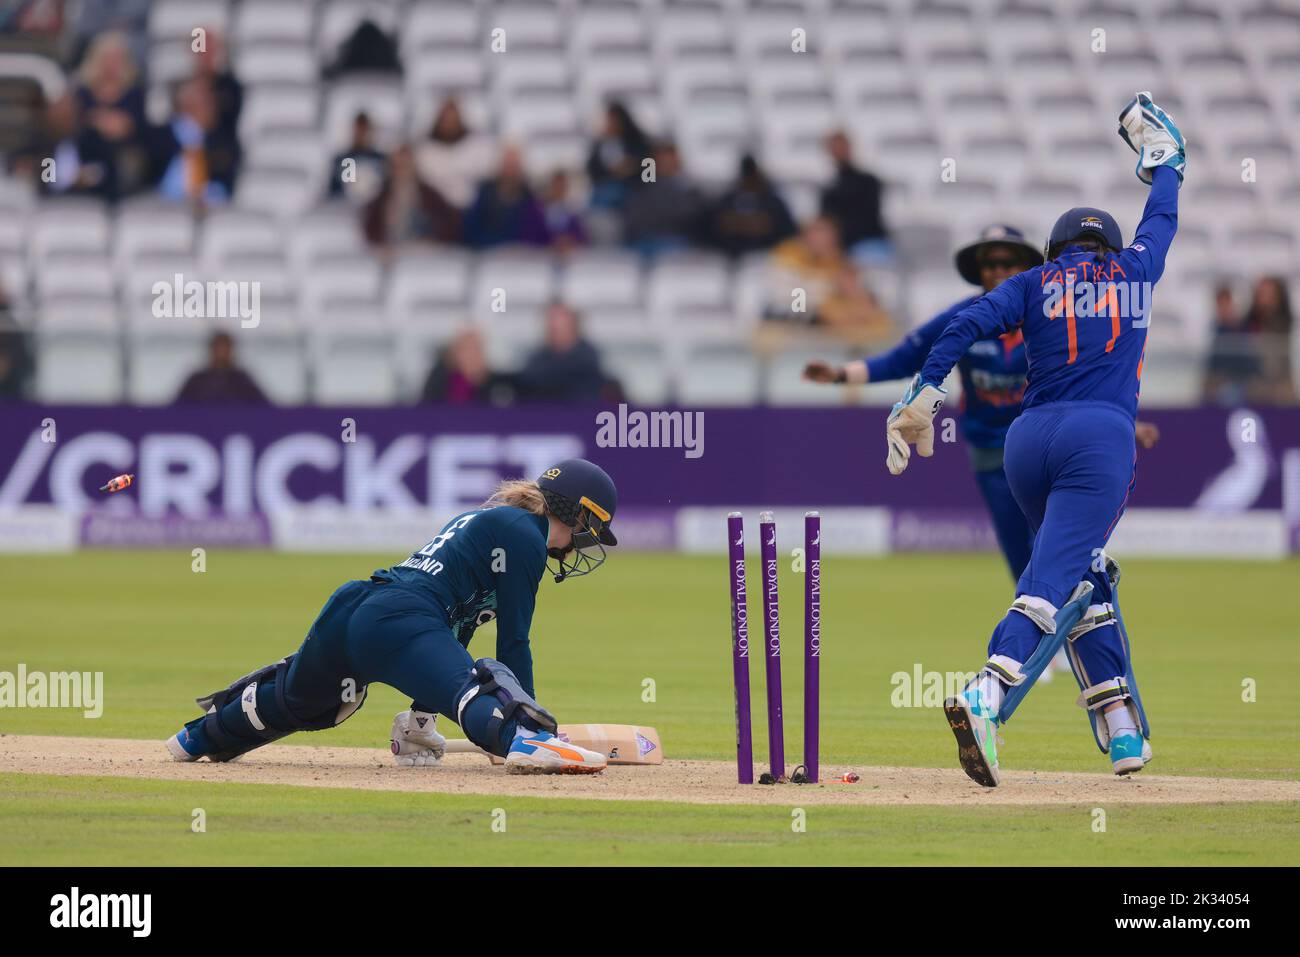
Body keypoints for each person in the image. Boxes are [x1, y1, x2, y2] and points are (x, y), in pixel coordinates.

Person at [884, 94, 1184, 785]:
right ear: (1107, 249)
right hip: (1097, 440)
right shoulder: (1134, 270)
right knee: (1051, 582)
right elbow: (1162, 215)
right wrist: (1166, 164)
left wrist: (923, 393)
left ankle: (1119, 728)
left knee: (1085, 573)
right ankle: (984, 694)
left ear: (1054, 252)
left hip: (1026, 443)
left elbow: (957, 328)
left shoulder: (1031, 282)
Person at [165, 459, 620, 774]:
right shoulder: (526, 535)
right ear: (577, 513)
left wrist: (423, 719)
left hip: (356, 607)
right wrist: (527, 722)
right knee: (471, 693)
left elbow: (454, 630)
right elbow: (513, 642)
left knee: (306, 704)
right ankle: (523, 740)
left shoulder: (494, 519)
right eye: (591, 529)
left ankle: (196, 739)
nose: (586, 542)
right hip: (403, 618)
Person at [767, 215, 890, 335]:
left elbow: (854, 293)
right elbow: (794, 303)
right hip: (794, 319)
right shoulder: (788, 258)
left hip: (830, 322)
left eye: (827, 234)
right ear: (805, 235)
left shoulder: (838, 260)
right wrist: (825, 297)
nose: (821, 239)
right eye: (816, 233)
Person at [362, 143, 460, 249]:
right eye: (398, 166)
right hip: (393, 252)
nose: (402, 170)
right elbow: (371, 229)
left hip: (424, 253)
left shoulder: (429, 195)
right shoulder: (381, 196)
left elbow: (448, 224)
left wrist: (432, 240)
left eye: (405, 166)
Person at [819, 130, 892, 266]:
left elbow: (869, 218)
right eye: (834, 148)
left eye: (841, 146)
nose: (838, 151)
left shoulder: (868, 182)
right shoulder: (828, 190)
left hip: (867, 243)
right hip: (840, 248)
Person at [515, 303, 610, 402]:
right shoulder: (537, 358)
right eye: (550, 325)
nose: (553, 328)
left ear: (573, 326)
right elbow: (526, 383)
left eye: (558, 326)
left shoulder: (588, 356)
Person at [414, 96, 497, 210]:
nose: (449, 123)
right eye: (446, 119)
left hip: (471, 212)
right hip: (436, 214)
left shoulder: (478, 146)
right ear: (438, 120)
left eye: (453, 119)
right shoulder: (424, 151)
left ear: (461, 119)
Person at [705, 154, 797, 256]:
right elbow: (712, 227)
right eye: (746, 176)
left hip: (767, 256)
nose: (748, 180)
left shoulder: (773, 202)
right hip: (730, 255)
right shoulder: (727, 200)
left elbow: (788, 232)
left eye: (751, 176)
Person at [462, 145, 548, 248]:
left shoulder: (528, 195)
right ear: (500, 166)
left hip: (518, 254)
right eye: (508, 164)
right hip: (487, 251)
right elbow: (472, 228)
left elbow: (538, 230)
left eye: (514, 165)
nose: (510, 170)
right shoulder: (485, 192)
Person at [419, 328, 513, 404]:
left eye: (476, 348)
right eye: (467, 349)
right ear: (456, 353)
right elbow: (428, 409)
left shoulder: (495, 382)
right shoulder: (440, 377)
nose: (472, 354)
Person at [175, 332, 268, 404]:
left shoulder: (241, 379)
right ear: (211, 350)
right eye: (218, 348)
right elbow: (177, 407)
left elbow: (264, 407)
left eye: (225, 349)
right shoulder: (198, 379)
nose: (221, 353)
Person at [329, 111, 387, 202]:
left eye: (365, 130)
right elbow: (335, 192)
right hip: (347, 209)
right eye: (359, 130)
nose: (362, 134)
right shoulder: (343, 159)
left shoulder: (381, 159)